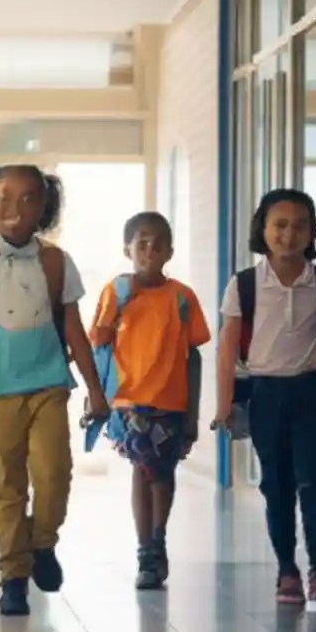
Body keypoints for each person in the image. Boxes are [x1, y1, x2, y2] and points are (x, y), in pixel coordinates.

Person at [0, 165, 107, 617]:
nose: (14, 208)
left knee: (53, 474)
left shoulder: (55, 262)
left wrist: (96, 390)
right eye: (2, 198)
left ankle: (42, 543)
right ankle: (12, 576)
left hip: (48, 384)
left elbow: (75, 329)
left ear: (45, 207)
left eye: (28, 198)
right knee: (7, 486)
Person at [215, 188, 316, 605]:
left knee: (314, 480)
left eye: (300, 225)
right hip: (265, 393)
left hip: (312, 393)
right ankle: (287, 572)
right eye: (280, 225)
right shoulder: (244, 285)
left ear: (312, 232)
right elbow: (227, 351)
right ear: (263, 229)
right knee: (275, 485)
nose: (289, 233)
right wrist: (224, 405)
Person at [87, 212, 211, 590]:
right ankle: (148, 549)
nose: (150, 250)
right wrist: (97, 399)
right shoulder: (118, 292)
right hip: (129, 401)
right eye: (141, 243)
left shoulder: (182, 297)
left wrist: (192, 414)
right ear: (127, 249)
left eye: (158, 243)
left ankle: (156, 541)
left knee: (162, 472)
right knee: (145, 469)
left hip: (171, 402)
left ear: (170, 251)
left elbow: (193, 357)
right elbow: (99, 344)